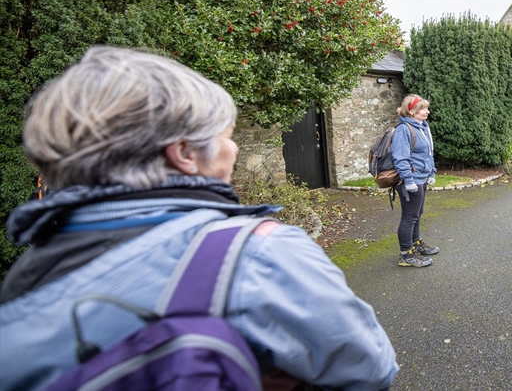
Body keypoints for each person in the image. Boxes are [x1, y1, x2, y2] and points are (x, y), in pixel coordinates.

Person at [0, 47, 399, 390]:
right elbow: (371, 367)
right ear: (185, 153)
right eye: (226, 136)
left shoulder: (21, 286)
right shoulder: (254, 254)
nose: (233, 151)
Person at [391, 94, 438, 268]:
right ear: (411, 111)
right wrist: (408, 180)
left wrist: (431, 172)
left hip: (421, 177)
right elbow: (400, 157)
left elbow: (428, 152)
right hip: (410, 180)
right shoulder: (404, 128)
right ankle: (405, 254)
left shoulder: (422, 127)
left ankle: (415, 244)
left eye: (426, 108)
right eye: (423, 109)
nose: (427, 112)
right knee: (410, 216)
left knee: (418, 213)